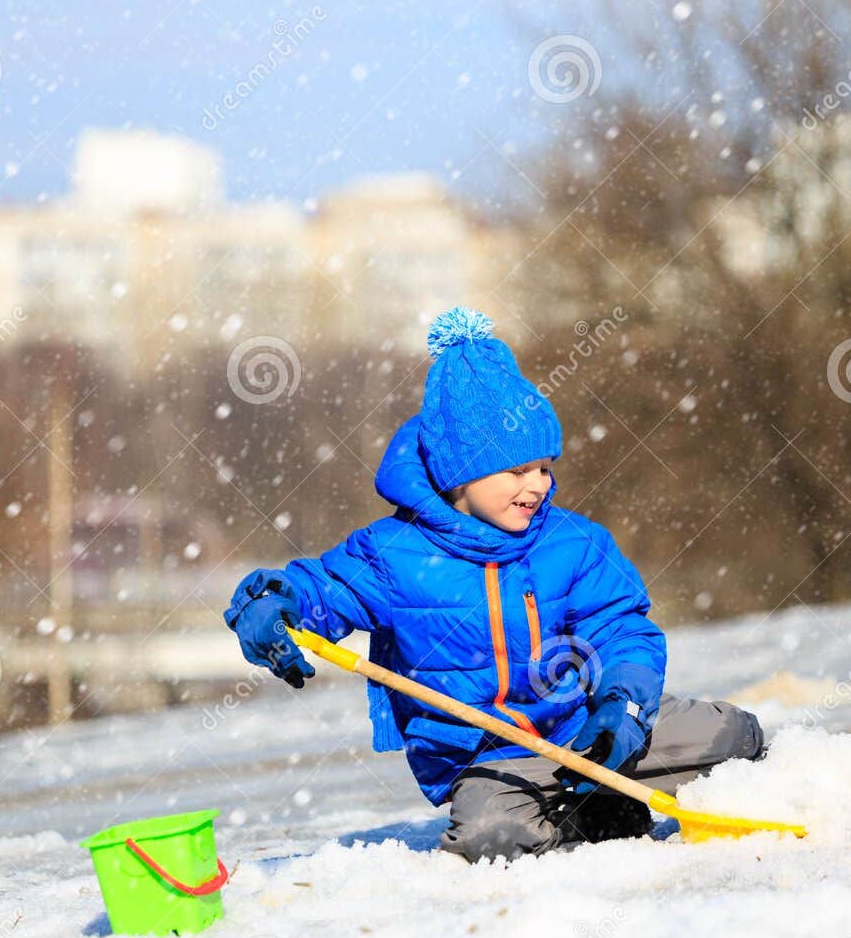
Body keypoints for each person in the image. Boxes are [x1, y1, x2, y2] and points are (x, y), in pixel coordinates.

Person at [223, 307, 764, 861]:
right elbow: (321, 590)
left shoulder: (571, 541)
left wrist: (621, 708)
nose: (537, 485)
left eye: (544, 466)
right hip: (493, 757)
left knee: (731, 738)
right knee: (489, 836)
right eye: (516, 470)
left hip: (588, 725)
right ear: (459, 476)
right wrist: (272, 604)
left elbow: (621, 629)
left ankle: (629, 781)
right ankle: (586, 816)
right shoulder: (395, 555)